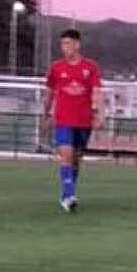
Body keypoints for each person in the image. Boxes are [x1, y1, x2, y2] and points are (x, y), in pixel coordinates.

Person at [43, 28, 104, 213]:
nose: (64, 47)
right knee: (66, 155)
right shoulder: (56, 68)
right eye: (62, 44)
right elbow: (49, 93)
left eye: (67, 43)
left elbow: (96, 91)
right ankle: (68, 195)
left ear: (77, 44)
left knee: (76, 159)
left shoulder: (90, 67)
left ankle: (67, 193)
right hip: (63, 119)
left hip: (84, 121)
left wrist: (100, 113)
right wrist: (45, 114)